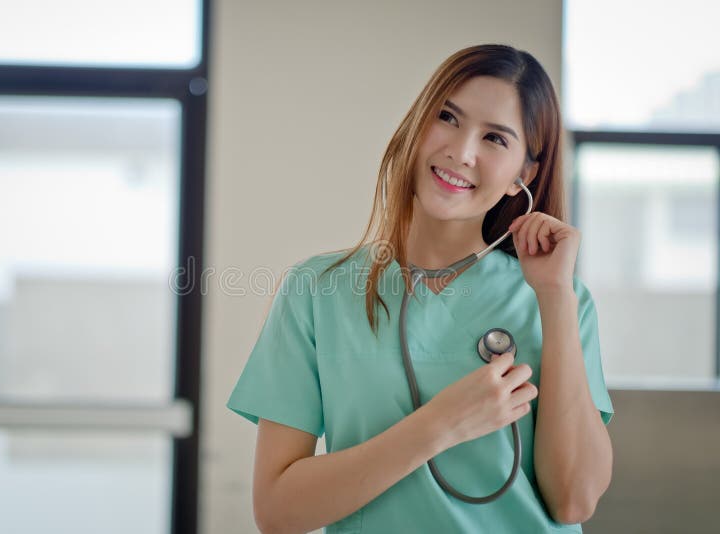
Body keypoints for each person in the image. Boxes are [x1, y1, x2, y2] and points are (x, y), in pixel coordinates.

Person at [227, 43, 614, 534]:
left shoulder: (560, 298)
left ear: (525, 174)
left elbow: (574, 501)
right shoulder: (316, 290)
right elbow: (278, 511)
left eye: (495, 138)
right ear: (417, 123)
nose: (462, 150)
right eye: (448, 117)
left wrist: (554, 296)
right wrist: (440, 425)